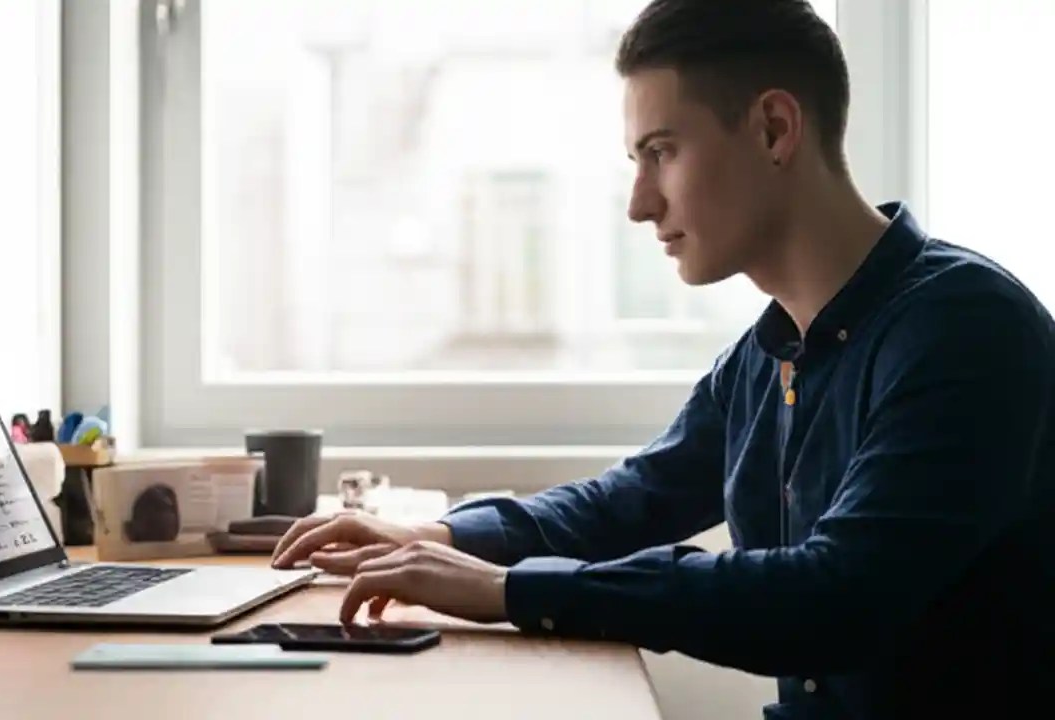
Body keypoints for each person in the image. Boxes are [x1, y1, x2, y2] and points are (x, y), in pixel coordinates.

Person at [271, 0, 1055, 717]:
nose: (640, 203)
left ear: (775, 129)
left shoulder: (966, 331)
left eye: (661, 153)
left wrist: (512, 591)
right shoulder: (767, 352)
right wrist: (442, 541)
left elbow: (837, 598)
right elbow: (630, 501)